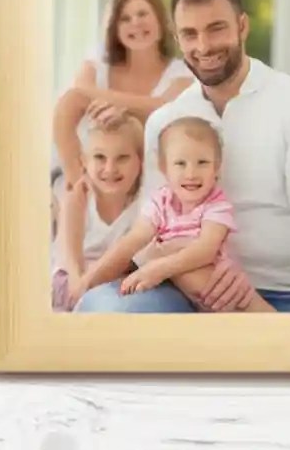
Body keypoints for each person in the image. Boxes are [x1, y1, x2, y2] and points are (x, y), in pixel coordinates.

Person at [76, 0, 290, 314]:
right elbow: (149, 229)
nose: (203, 46)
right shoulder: (166, 120)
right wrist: (178, 263)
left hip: (280, 291)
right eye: (189, 34)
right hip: (182, 282)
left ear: (242, 26)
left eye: (216, 29)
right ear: (177, 39)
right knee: (102, 308)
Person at [67, 116, 276, 312]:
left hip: (212, 283)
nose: (191, 173)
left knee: (191, 269)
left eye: (202, 163)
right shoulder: (161, 201)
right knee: (127, 265)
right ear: (164, 168)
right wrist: (89, 280)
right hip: (175, 287)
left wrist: (157, 269)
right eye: (180, 163)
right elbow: (133, 240)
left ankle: (274, 321)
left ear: (217, 167)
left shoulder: (216, 204)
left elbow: (205, 250)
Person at [53, 0, 193, 194]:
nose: (135, 23)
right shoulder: (98, 62)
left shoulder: (182, 74)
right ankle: (76, 185)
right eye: (125, 19)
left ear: (160, 21)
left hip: (146, 184)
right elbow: (75, 97)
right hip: (89, 178)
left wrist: (119, 108)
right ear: (115, 29)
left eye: (142, 14)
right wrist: (76, 178)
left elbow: (163, 107)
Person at [51, 115, 144, 311]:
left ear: (140, 162)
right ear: (84, 161)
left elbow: (130, 260)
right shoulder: (79, 198)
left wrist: (93, 282)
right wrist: (77, 279)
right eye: (100, 157)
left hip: (113, 278)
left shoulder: (143, 205)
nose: (110, 169)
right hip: (69, 278)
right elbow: (70, 251)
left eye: (122, 158)